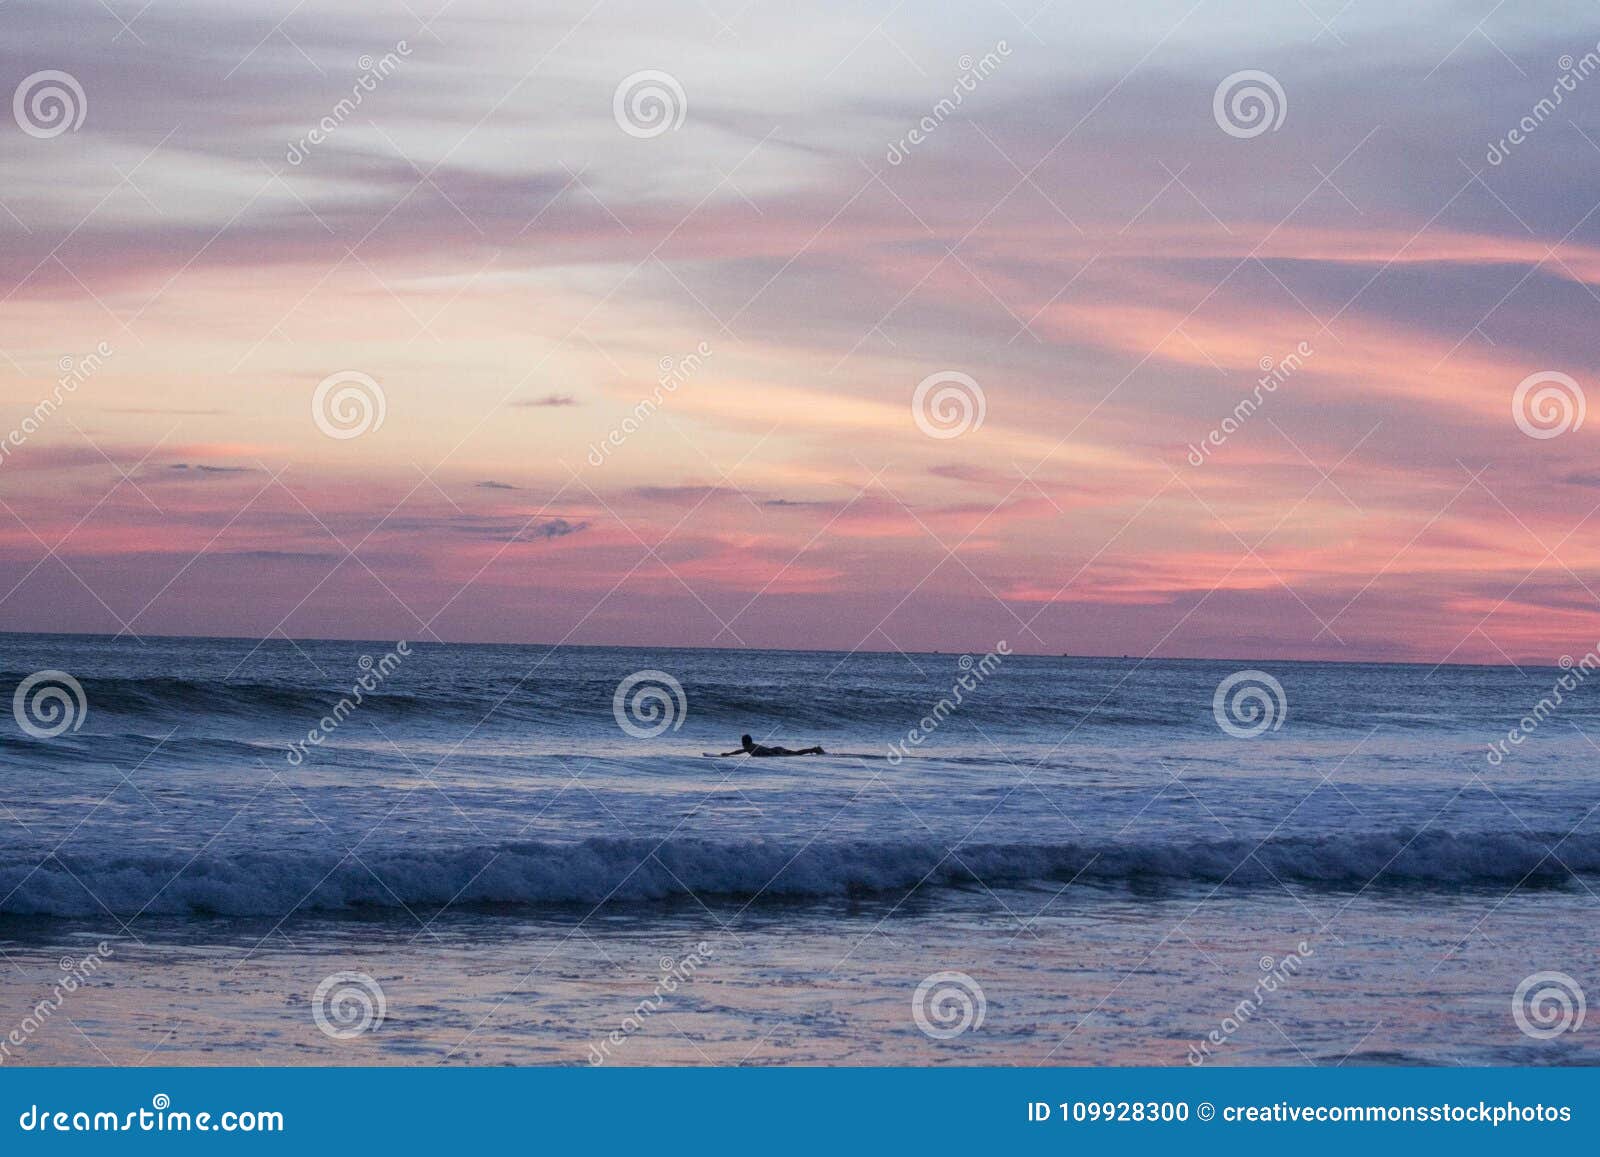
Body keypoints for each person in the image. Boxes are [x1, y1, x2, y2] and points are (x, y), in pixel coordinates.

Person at [720, 733, 825, 757]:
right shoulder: (752, 745)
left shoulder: (749, 747)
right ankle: (814, 749)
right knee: (796, 753)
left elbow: (740, 751)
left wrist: (728, 754)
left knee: (796, 754)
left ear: (744, 742)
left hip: (775, 752)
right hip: (776, 749)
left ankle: (814, 749)